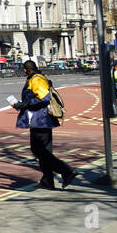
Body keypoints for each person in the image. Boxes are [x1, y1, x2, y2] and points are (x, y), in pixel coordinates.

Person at [13, 59, 76, 189]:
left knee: (39, 150)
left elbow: (44, 97)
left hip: (40, 120)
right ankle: (48, 180)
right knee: (43, 152)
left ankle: (66, 171)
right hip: (40, 119)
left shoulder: (36, 79)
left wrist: (24, 104)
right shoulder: (36, 77)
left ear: (25, 70)